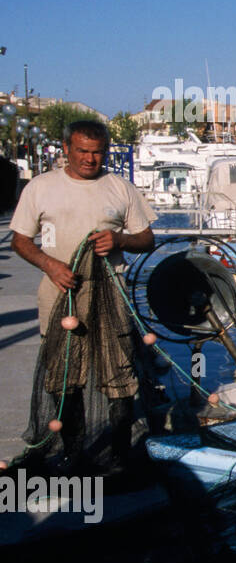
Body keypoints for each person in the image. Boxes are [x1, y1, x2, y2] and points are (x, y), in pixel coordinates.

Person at [9, 119, 158, 470]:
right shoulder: (40, 188)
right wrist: (50, 265)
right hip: (60, 293)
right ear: (66, 149)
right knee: (64, 375)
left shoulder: (120, 187)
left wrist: (120, 240)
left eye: (98, 152)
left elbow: (147, 239)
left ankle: (120, 455)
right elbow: (20, 240)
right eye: (82, 151)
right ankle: (73, 452)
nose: (90, 159)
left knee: (119, 375)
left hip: (111, 296)